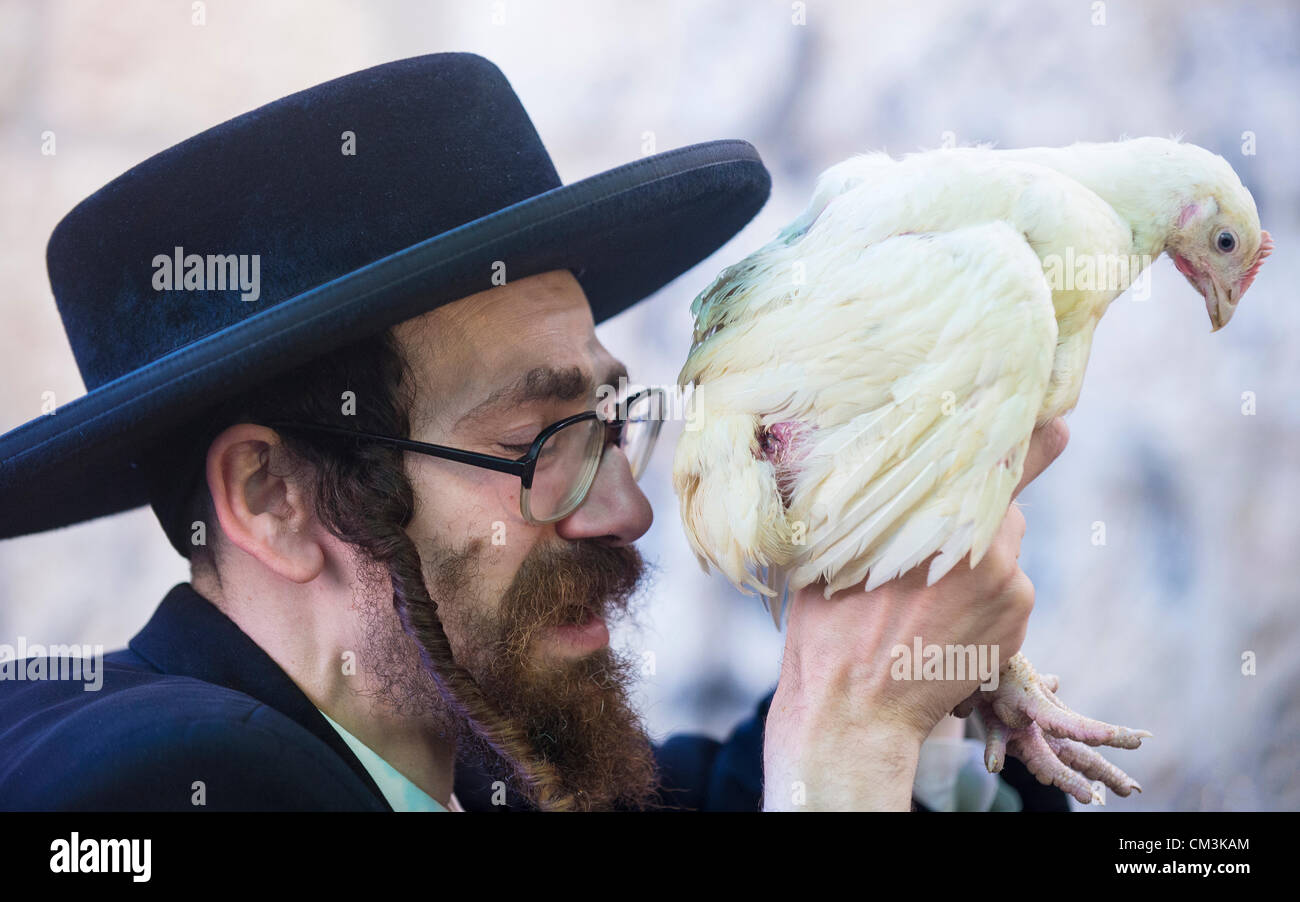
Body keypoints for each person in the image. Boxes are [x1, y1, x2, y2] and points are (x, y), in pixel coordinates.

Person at [0, 53, 1070, 811]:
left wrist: (899, 667)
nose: (628, 510)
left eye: (605, 424)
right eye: (538, 440)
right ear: (275, 497)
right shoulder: (158, 783)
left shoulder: (473, 762)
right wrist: (847, 742)